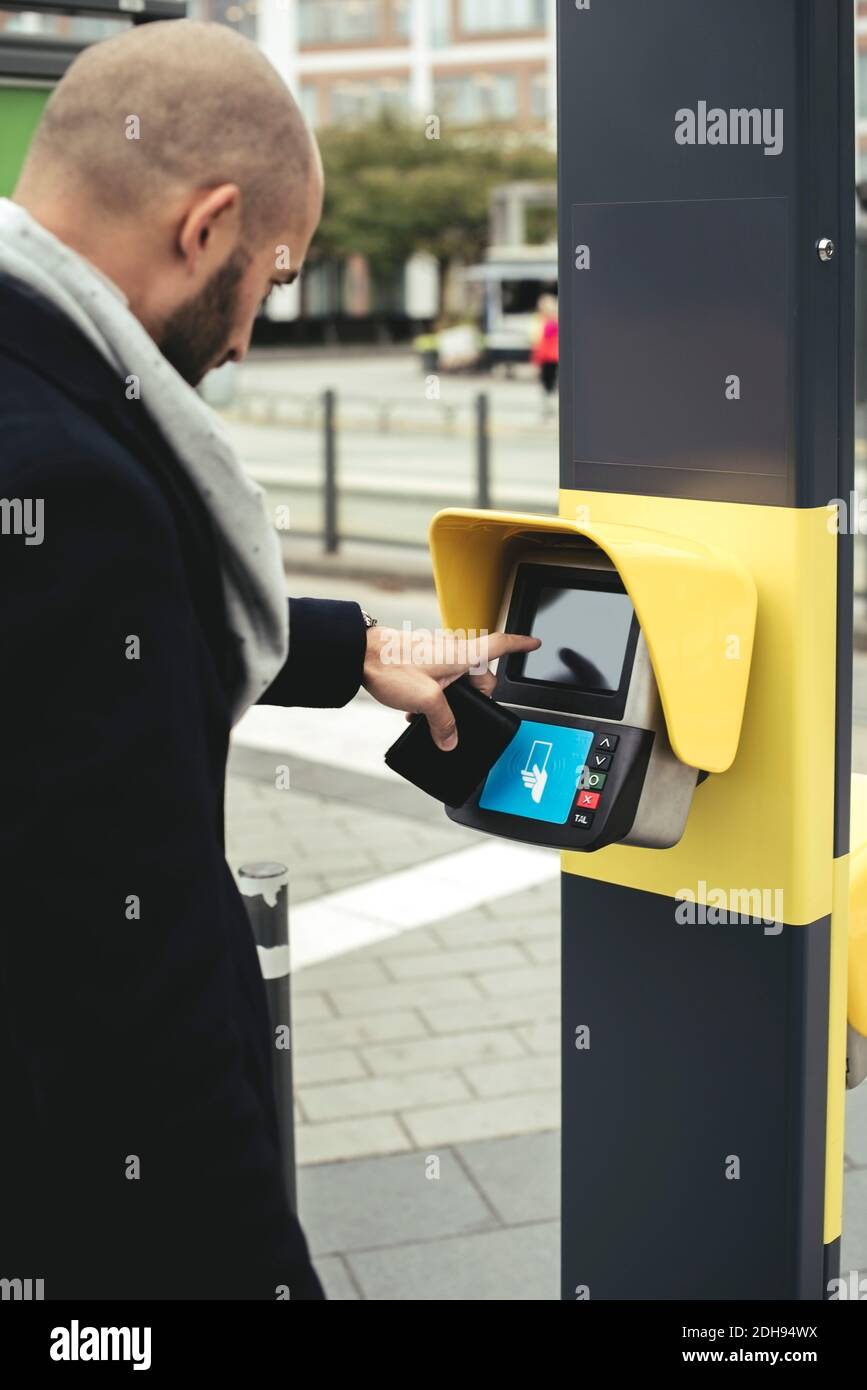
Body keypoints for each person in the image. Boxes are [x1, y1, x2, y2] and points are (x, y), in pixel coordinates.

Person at [0, 20, 539, 1300]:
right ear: (209, 227)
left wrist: (355, 649)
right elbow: (136, 999)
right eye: (271, 281)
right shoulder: (69, 477)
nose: (246, 338)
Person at [532, 292, 559, 413]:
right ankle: (549, 408)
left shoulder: (551, 322)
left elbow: (541, 339)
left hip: (551, 357)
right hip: (548, 357)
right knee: (548, 384)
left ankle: (550, 408)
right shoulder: (545, 320)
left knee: (550, 384)